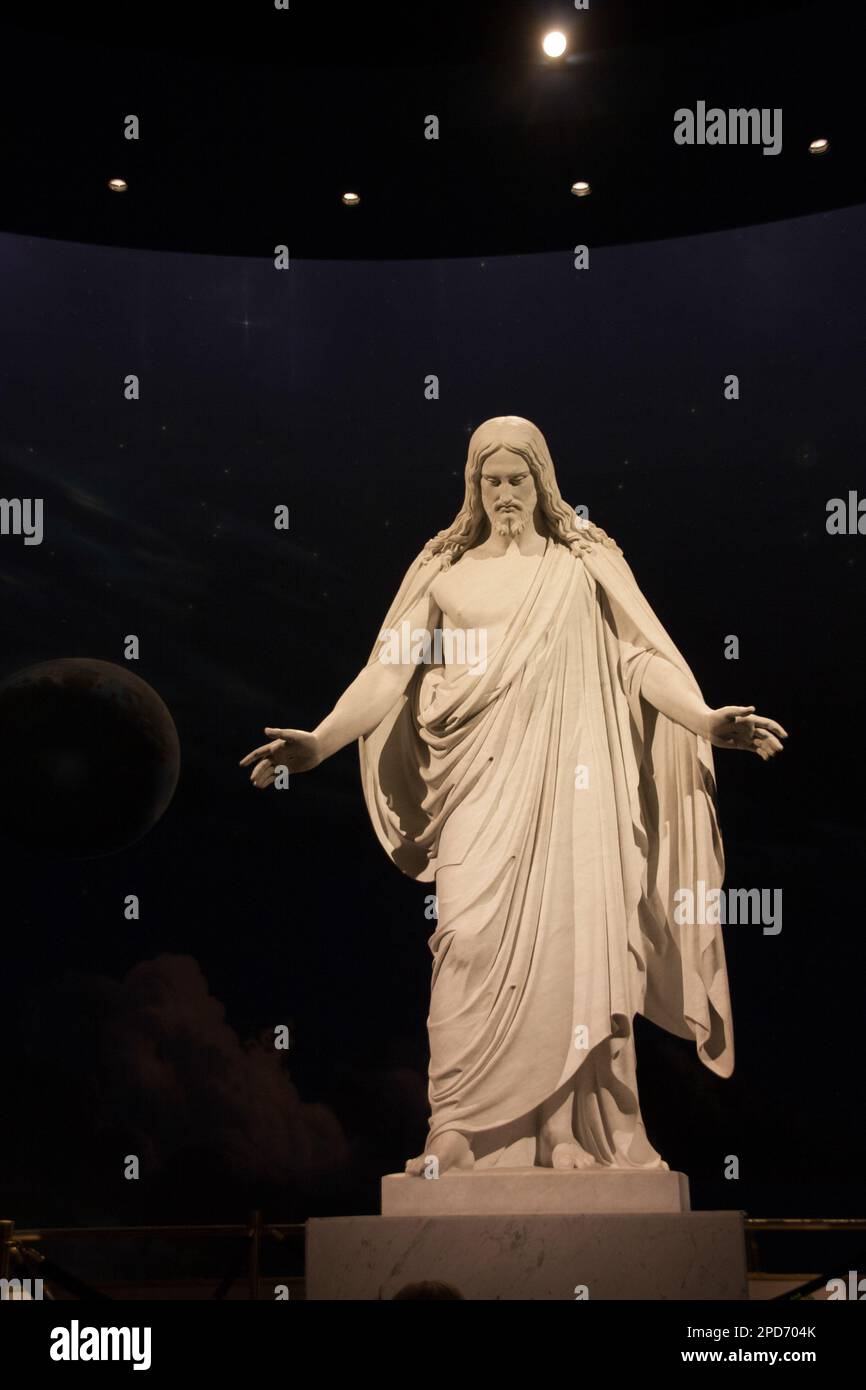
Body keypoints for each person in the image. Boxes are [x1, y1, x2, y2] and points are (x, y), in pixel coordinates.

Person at [240, 416, 787, 1176]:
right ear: (473, 486)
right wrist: (320, 741)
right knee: (465, 943)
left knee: (571, 946)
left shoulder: (579, 566)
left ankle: (564, 1130)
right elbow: (390, 673)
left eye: (517, 479)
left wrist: (702, 719)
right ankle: (456, 1126)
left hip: (574, 789)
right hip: (478, 788)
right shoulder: (445, 574)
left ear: (542, 482)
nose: (503, 493)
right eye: (490, 480)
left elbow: (639, 657)